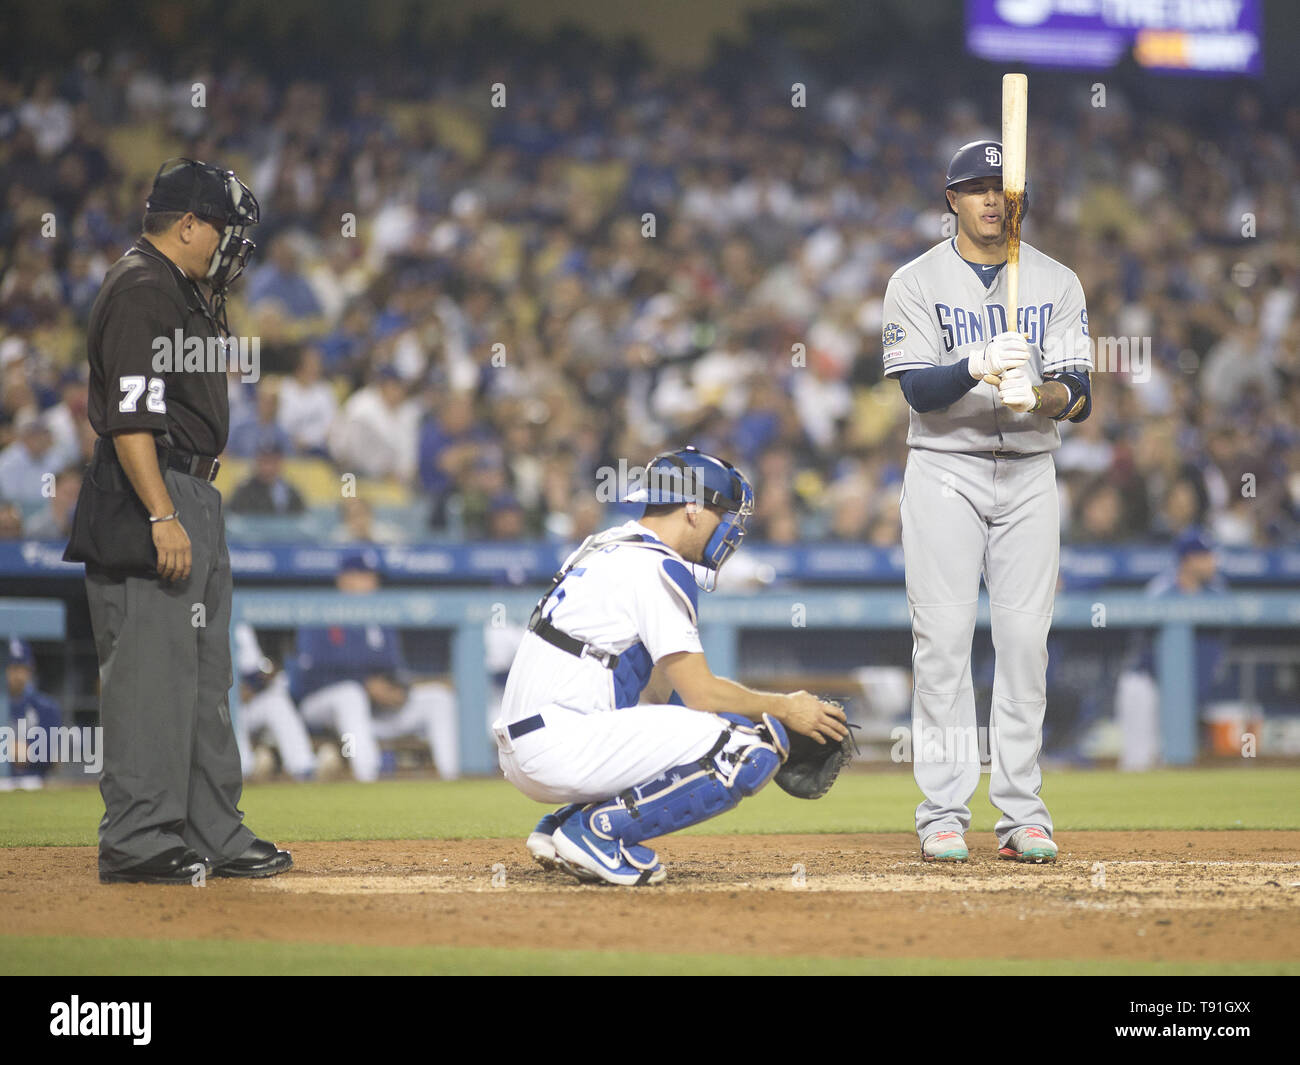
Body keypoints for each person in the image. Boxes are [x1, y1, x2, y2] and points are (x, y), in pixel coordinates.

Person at [65, 157, 291, 884]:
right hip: (150, 490)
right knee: (149, 679)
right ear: (187, 223)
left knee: (201, 677)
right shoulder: (138, 287)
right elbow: (130, 419)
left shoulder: (179, 289)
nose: (233, 245)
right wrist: (162, 510)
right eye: (224, 228)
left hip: (194, 490)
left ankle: (211, 829)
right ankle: (137, 837)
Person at [881, 140, 1094, 864]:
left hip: (1031, 469)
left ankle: (1022, 815)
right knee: (942, 643)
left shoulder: (1058, 281)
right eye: (974, 188)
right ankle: (942, 812)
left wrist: (1042, 392)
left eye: (1000, 188)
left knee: (1025, 646)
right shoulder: (914, 280)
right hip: (945, 468)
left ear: (1019, 198)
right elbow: (916, 391)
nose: (990, 200)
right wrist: (974, 364)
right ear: (951, 200)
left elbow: (1081, 395)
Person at [498, 447, 847, 886]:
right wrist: (783, 709)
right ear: (693, 509)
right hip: (560, 743)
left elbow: (665, 694)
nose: (730, 529)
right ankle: (593, 833)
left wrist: (746, 718)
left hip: (534, 742)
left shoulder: (603, 545)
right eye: (724, 514)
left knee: (731, 734)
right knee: (746, 754)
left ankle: (560, 828)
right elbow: (700, 693)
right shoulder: (655, 565)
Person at [288, 548, 459, 781]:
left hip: (372, 713)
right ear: (344, 578)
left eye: (372, 576)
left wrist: (398, 690)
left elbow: (395, 670)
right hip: (321, 704)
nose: (371, 583)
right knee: (350, 694)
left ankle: (454, 777)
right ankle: (368, 777)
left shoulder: (381, 618)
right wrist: (365, 685)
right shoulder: (320, 612)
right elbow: (308, 676)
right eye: (363, 575)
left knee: (438, 698)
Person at [1114, 529, 1230, 771]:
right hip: (1147, 683)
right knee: (1139, 760)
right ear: (1188, 560)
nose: (1213, 562)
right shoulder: (1160, 590)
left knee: (1177, 762)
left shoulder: (1217, 593)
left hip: (1184, 690)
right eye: (1205, 557)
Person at [232, 624, 317, 780]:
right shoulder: (195, 620)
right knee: (229, 709)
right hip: (217, 704)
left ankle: (303, 768)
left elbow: (253, 671)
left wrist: (260, 681)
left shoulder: (240, 626)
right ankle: (243, 773)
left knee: (276, 702)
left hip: (247, 704)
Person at [3, 638, 61, 788]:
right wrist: (8, 748)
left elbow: (53, 759)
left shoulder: (46, 706)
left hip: (34, 783)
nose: (18, 675)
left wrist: (29, 752)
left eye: (22, 668)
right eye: (13, 668)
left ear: (30, 669)